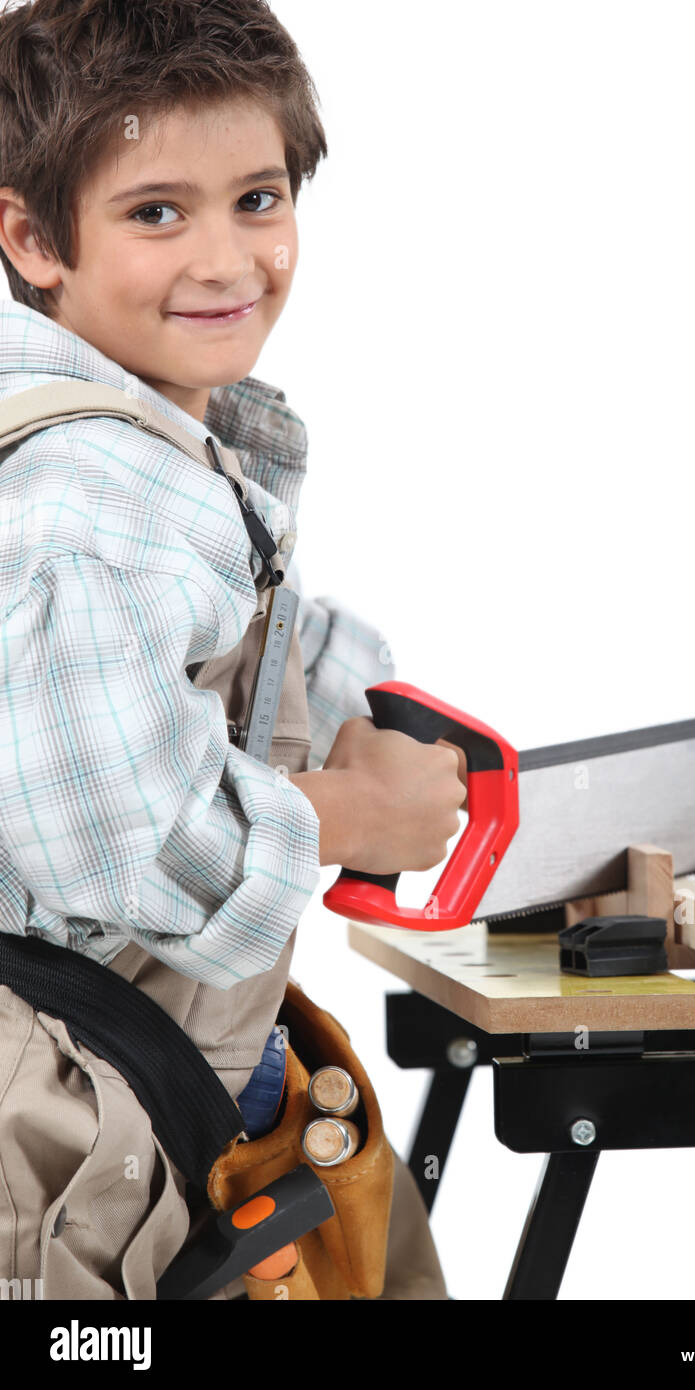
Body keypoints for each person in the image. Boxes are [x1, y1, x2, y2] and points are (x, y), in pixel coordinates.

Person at [0, 0, 466, 1300]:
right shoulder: (84, 496)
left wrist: (373, 713)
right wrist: (348, 813)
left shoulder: (148, 435)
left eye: (256, 198)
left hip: (161, 1068)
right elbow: (118, 838)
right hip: (59, 1123)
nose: (225, 258)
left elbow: (247, 657)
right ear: (33, 236)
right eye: (156, 212)